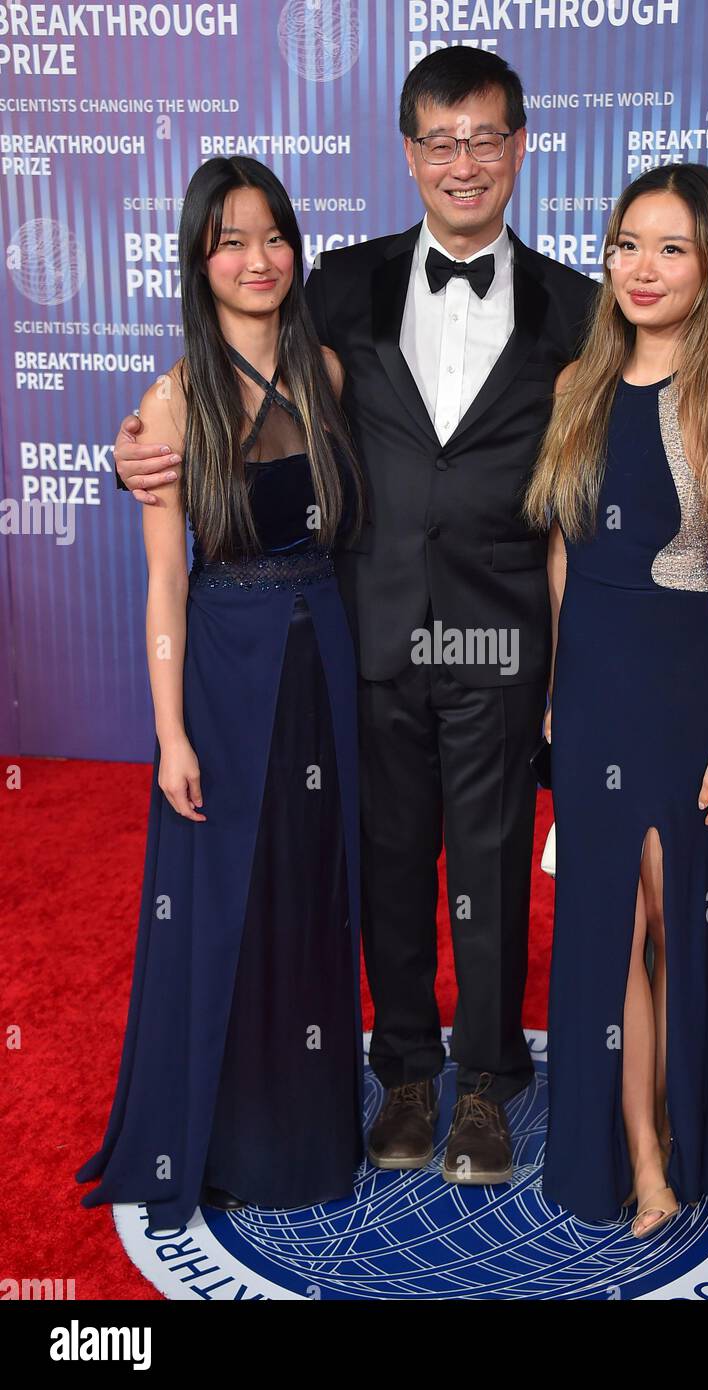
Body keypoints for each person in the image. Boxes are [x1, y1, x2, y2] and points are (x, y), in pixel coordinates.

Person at [111, 50, 708, 1188]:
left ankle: (488, 1081)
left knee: (487, 863)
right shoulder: (336, 284)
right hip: (365, 632)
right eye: (440, 141)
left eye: (486, 138)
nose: (464, 162)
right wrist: (131, 445)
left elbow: (682, 387)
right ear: (407, 155)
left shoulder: (580, 308)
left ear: (523, 146)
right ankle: (405, 1071)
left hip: (507, 641)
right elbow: (229, 375)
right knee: (387, 865)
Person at [75, 156, 366, 1230]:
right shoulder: (172, 396)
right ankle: (223, 1135)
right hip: (226, 659)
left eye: (274, 236)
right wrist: (168, 734)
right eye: (232, 241)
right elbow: (164, 579)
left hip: (322, 648)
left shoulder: (328, 371)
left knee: (313, 886)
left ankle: (310, 1134)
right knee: (221, 901)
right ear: (200, 260)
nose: (258, 259)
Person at [524, 163, 708, 1235]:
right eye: (627, 243)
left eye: (671, 248)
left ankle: (681, 1120)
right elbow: (559, 556)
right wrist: (551, 691)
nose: (642, 267)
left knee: (674, 921)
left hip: (682, 692)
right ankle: (638, 1152)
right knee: (607, 921)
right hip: (589, 688)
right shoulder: (575, 386)